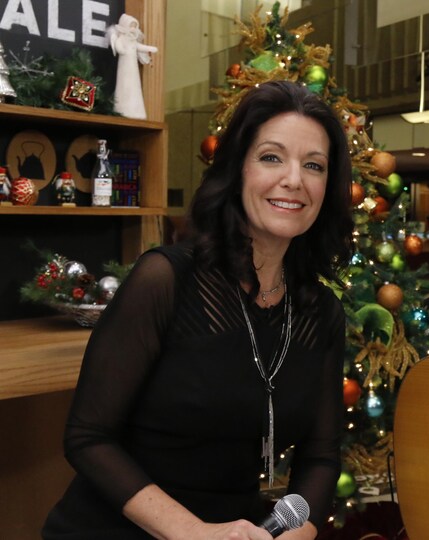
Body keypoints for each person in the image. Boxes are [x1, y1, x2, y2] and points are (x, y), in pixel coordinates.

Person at [42, 80, 354, 539]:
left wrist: (300, 530)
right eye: (271, 157)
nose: (294, 179)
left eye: (314, 165)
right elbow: (88, 438)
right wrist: (191, 532)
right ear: (237, 170)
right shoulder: (165, 279)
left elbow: (321, 456)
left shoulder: (320, 310)